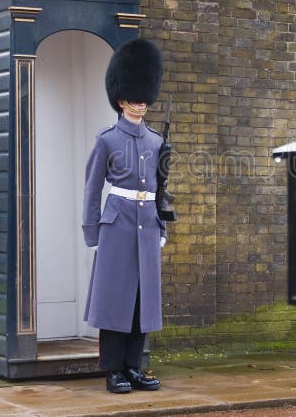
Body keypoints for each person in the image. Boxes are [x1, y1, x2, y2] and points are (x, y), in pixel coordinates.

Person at [82, 38, 168, 394]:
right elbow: (92, 190)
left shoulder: (157, 142)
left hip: (146, 226)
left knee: (141, 301)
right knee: (115, 299)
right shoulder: (107, 140)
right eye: (134, 98)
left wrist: (161, 225)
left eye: (144, 98)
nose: (140, 104)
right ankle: (113, 369)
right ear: (121, 100)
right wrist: (92, 235)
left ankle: (133, 366)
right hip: (116, 226)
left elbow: (161, 189)